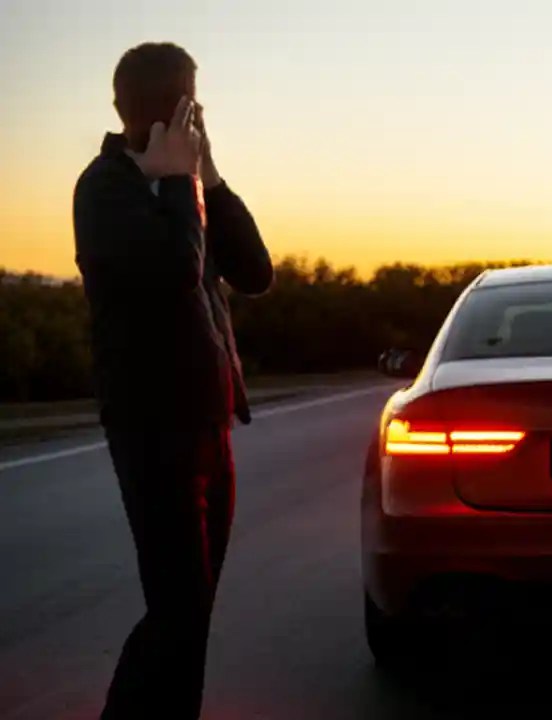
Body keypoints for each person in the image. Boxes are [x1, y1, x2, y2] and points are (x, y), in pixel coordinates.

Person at [72, 42, 273, 720]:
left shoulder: (189, 184)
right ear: (129, 107)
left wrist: (208, 179)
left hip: (210, 425)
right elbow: (173, 272)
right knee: (177, 611)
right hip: (150, 429)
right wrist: (169, 183)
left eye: (192, 100)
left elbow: (255, 273)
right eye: (178, 100)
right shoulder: (104, 188)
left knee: (192, 613)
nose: (188, 112)